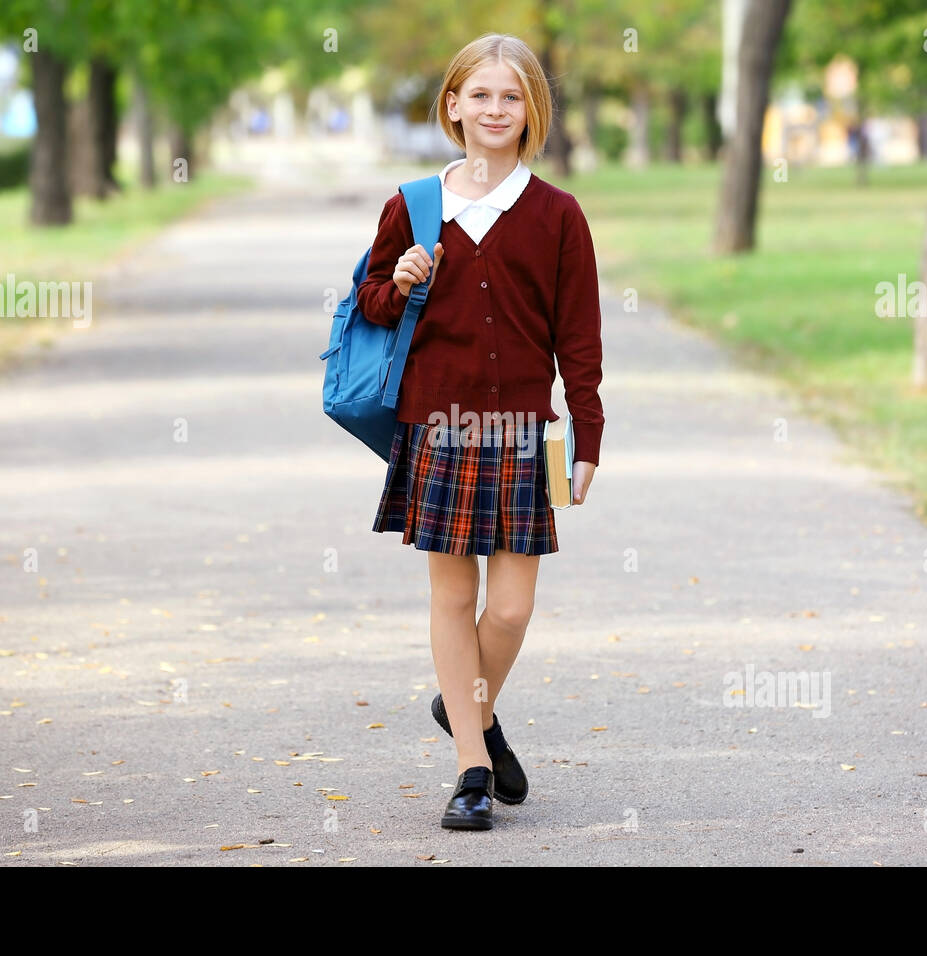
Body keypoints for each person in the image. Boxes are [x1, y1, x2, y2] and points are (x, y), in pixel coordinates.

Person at [356, 33, 604, 831]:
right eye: (481, 95)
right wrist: (396, 281)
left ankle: (467, 703)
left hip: (524, 431)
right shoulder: (414, 205)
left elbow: (580, 335)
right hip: (439, 425)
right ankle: (471, 764)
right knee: (453, 597)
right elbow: (369, 303)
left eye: (512, 96)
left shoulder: (558, 214)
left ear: (532, 110)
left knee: (511, 611)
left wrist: (589, 434)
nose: (495, 109)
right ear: (452, 105)